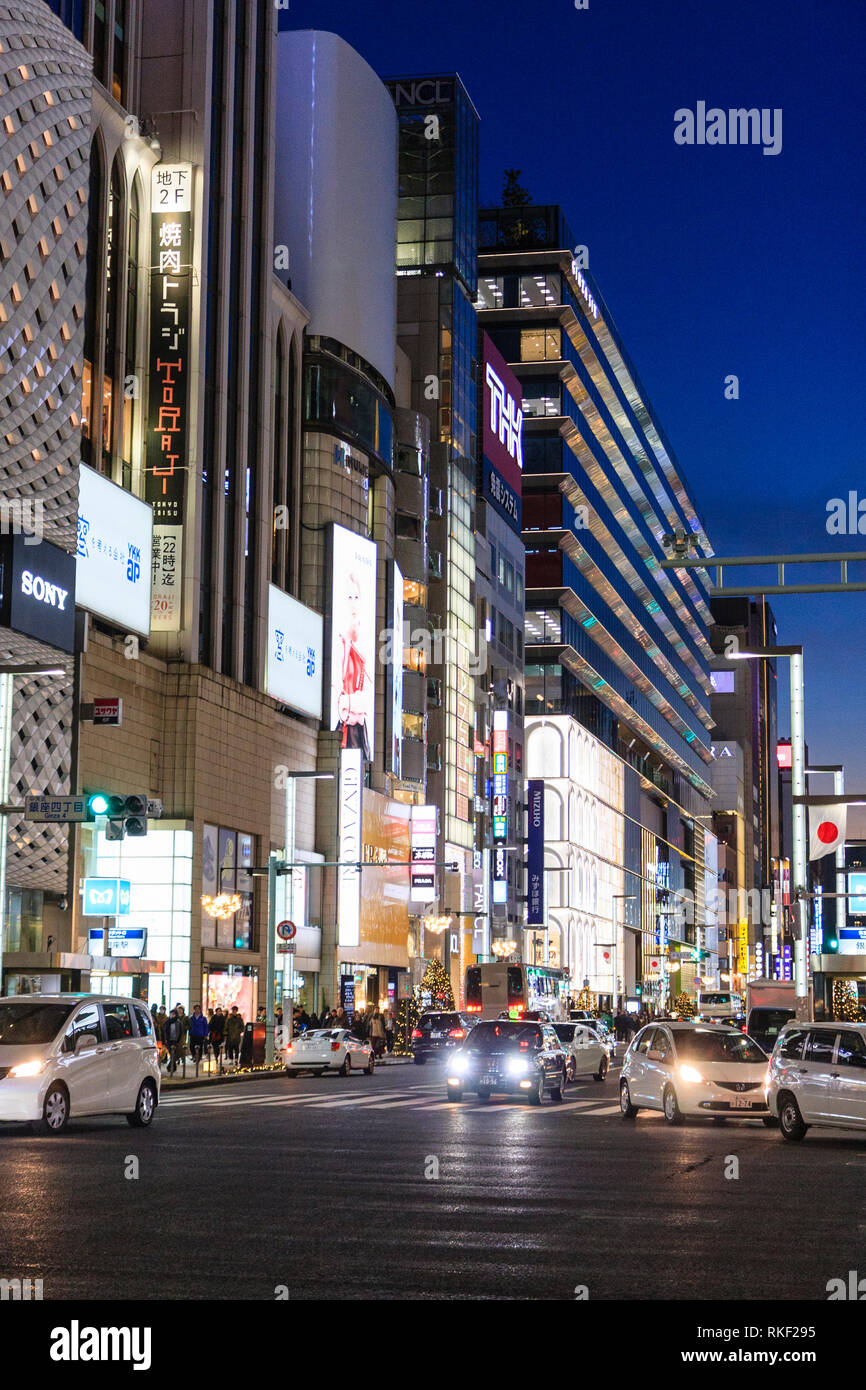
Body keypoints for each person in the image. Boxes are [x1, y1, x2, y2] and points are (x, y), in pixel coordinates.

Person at [164, 1007, 187, 1075]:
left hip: (176, 1040)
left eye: (173, 1014)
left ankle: (170, 1066)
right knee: (171, 1054)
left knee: (174, 1054)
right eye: (171, 1014)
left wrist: (180, 1041)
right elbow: (165, 1030)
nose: (172, 1015)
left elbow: (181, 1032)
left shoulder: (178, 1022)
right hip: (169, 1040)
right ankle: (173, 1066)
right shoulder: (168, 1022)